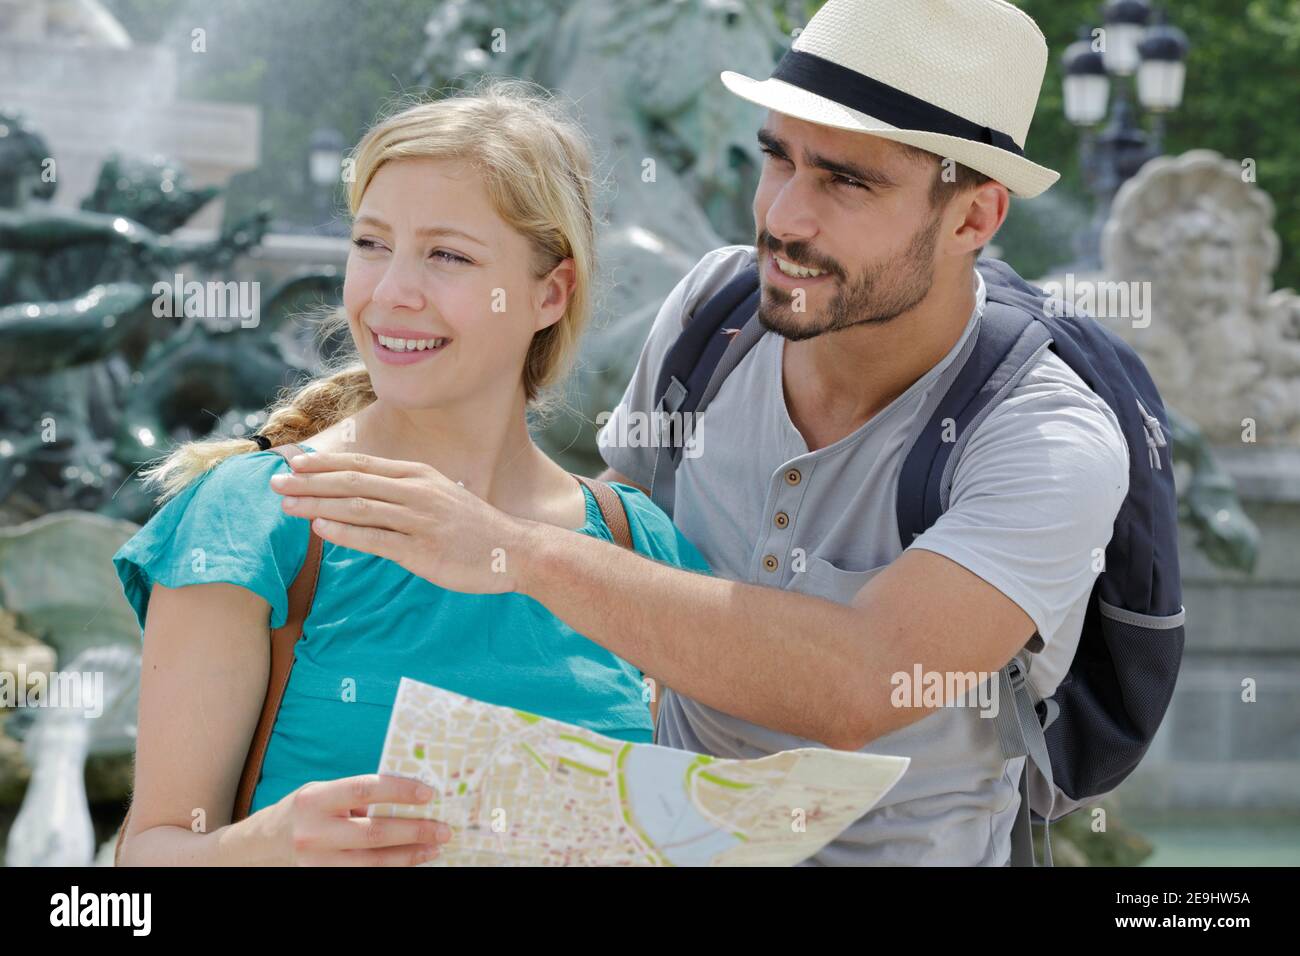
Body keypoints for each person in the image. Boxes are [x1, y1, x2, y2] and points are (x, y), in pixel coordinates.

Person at [271, 0, 1132, 866]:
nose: (785, 217)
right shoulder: (713, 314)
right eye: (777, 158)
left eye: (846, 182)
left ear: (973, 219)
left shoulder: (1047, 443)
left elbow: (862, 683)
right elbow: (622, 552)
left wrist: (509, 547)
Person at [111, 77, 710, 867]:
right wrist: (267, 844)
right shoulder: (259, 516)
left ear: (550, 291)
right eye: (370, 244)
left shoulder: (640, 544)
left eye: (447, 256)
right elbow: (145, 863)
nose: (391, 293)